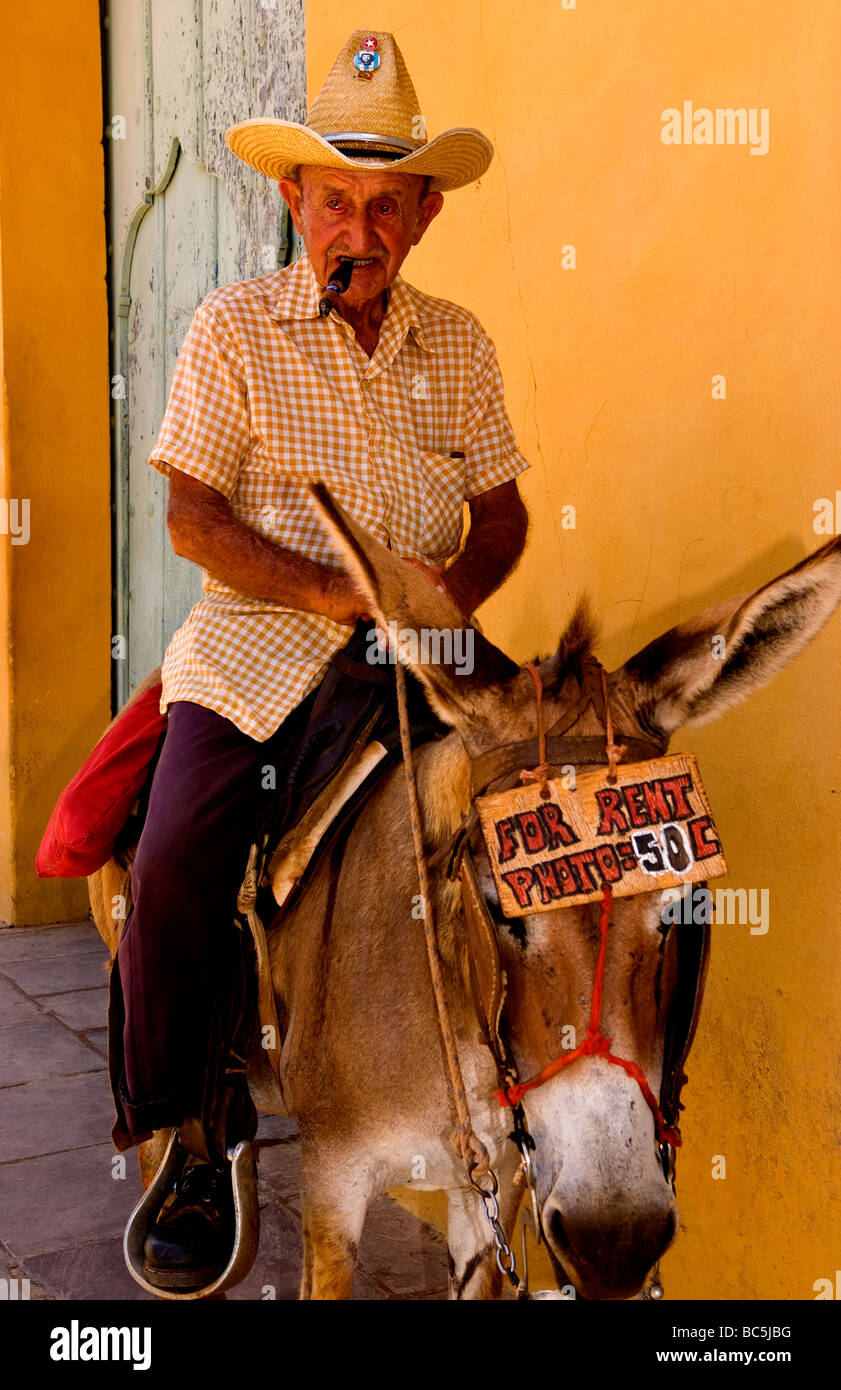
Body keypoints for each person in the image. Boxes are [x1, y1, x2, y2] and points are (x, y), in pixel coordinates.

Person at [109, 29, 530, 1292]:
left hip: (422, 641)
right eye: (334, 197)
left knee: (551, 810)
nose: (359, 223)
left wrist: (444, 595)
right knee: (177, 857)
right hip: (253, 646)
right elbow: (190, 515)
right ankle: (189, 1134)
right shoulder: (233, 328)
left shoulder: (457, 344)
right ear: (293, 199)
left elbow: (503, 511)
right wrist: (327, 591)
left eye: (384, 204)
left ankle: (541, 1120)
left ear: (424, 215)